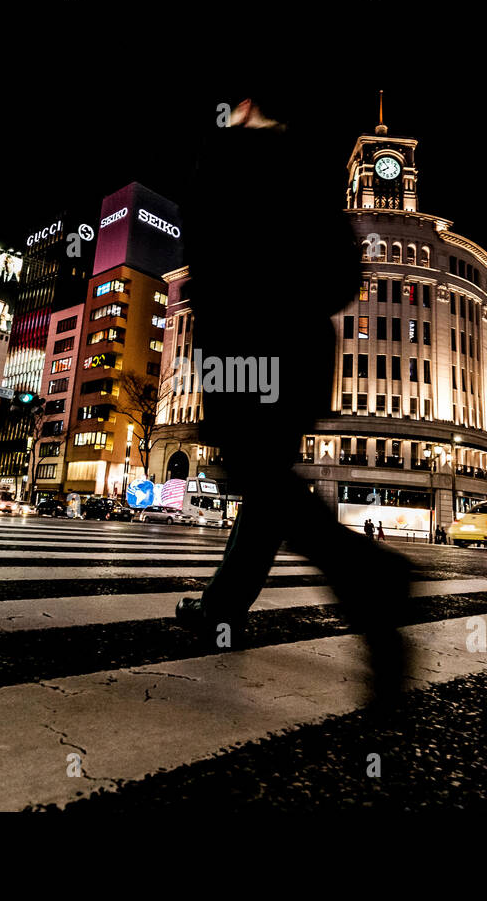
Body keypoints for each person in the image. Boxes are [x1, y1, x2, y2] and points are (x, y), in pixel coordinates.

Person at [172, 91, 416, 705]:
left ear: (249, 106)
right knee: (264, 482)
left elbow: (199, 237)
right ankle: (222, 608)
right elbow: (344, 269)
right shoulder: (311, 168)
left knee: (256, 473)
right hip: (306, 344)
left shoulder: (230, 154)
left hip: (244, 336)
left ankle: (367, 574)